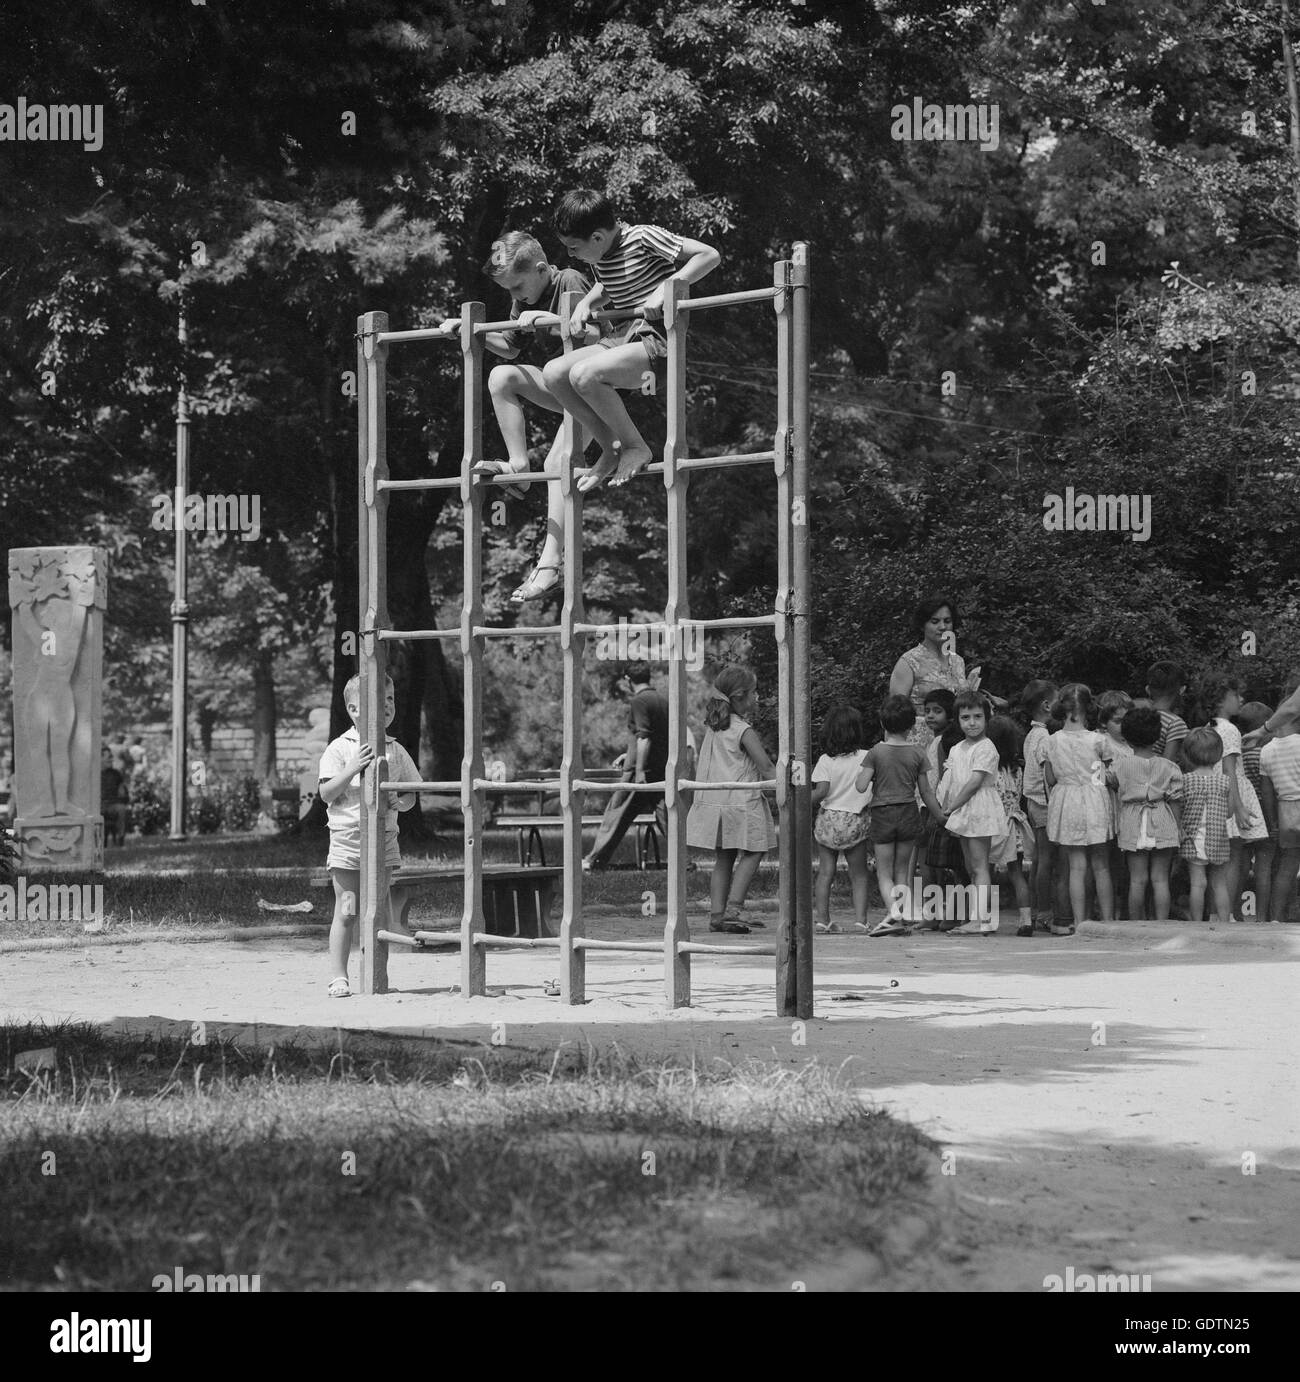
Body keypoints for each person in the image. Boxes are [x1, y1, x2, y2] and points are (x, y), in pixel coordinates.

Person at [440, 232, 598, 604]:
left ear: (542, 269)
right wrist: (470, 332)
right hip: (565, 390)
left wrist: (547, 318)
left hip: (597, 394)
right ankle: (517, 466)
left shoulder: (570, 282)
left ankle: (550, 565)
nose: (514, 297)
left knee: (560, 461)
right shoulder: (526, 297)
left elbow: (596, 336)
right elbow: (510, 350)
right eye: (508, 290)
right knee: (501, 376)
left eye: (517, 286)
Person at [543, 189, 721, 490]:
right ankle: (610, 448)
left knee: (584, 375)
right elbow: (612, 283)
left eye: (574, 248)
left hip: (656, 340)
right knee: (555, 373)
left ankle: (634, 446)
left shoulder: (643, 237)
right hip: (622, 337)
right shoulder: (601, 255)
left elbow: (709, 255)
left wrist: (667, 288)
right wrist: (588, 302)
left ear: (597, 238)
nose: (571, 255)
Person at [318, 674, 420, 998]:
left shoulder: (396, 749)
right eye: (379, 699)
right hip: (349, 839)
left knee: (380, 911)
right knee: (347, 908)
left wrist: (398, 800)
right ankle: (338, 976)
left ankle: (378, 976)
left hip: (385, 838)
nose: (387, 706)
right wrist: (352, 768)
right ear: (354, 709)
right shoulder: (339, 748)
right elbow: (325, 793)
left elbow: (411, 794)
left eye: (390, 699)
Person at [686, 666, 776, 934]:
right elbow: (767, 767)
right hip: (742, 803)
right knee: (754, 851)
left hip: (718, 802)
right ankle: (734, 908)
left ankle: (717, 915)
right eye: (754, 693)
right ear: (739, 697)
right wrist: (784, 789)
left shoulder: (714, 728)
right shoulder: (743, 730)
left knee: (723, 858)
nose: (757, 698)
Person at [854, 694, 944, 935]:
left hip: (883, 813)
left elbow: (861, 786)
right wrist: (941, 817)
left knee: (884, 872)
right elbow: (926, 792)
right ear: (912, 725)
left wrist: (867, 773)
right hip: (908, 813)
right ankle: (899, 917)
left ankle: (894, 912)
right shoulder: (917, 753)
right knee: (902, 871)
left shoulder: (876, 752)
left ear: (883, 724)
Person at [583, 662, 668, 871]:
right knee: (666, 817)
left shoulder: (639, 701)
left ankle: (594, 861)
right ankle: (684, 863)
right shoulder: (662, 700)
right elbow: (654, 736)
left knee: (615, 813)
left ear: (628, 680)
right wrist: (627, 754)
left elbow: (644, 737)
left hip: (640, 772)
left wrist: (638, 771)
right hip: (660, 769)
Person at [1045, 683, 1115, 932]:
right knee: (1101, 864)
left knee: (1076, 866)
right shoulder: (1099, 740)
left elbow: (1050, 779)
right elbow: (1107, 774)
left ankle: (1079, 922)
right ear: (1089, 708)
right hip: (1094, 799)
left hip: (1067, 800)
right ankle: (1107, 923)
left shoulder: (1051, 741)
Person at [938, 691, 1007, 935]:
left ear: (987, 719)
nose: (972, 722)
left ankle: (980, 919)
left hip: (978, 808)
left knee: (979, 866)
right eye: (966, 717)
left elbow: (974, 782)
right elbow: (952, 780)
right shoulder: (957, 748)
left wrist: (952, 806)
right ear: (958, 720)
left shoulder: (986, 748)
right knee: (970, 866)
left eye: (978, 716)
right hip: (963, 807)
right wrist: (947, 803)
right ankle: (977, 916)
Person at [1202, 675, 1268, 921]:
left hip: (1214, 792)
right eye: (1236, 695)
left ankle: (1217, 913)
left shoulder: (1210, 727)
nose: (1241, 699)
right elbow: (1229, 768)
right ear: (1221, 699)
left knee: (1219, 860)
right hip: (1231, 793)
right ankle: (1226, 913)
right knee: (1232, 857)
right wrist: (1238, 805)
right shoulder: (1229, 728)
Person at [1113, 706, 1183, 921]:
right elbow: (1176, 800)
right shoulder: (1169, 766)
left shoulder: (1120, 765)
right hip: (1162, 818)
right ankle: (1161, 924)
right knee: (1160, 879)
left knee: (1137, 879)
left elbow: (1111, 784)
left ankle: (1136, 924)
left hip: (1133, 821)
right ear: (1156, 736)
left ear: (1126, 736)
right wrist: (1178, 827)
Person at [888, 595, 982, 752]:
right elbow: (894, 714)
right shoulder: (909, 662)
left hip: (954, 745)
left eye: (947, 621)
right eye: (935, 621)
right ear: (922, 625)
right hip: (917, 747)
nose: (942, 626)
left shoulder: (957, 661)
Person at [811, 703, 871, 934]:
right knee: (859, 874)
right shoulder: (866, 757)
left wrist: (802, 800)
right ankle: (861, 920)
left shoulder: (826, 760)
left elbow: (822, 791)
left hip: (828, 820)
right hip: (854, 819)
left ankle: (822, 920)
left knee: (826, 872)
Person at [1178, 727, 1233, 923]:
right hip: (1218, 839)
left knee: (1197, 884)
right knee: (1219, 884)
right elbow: (1229, 812)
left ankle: (1196, 923)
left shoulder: (1185, 781)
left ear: (1188, 754)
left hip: (1193, 839)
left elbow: (1180, 808)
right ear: (1219, 755)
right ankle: (1225, 922)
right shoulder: (1224, 781)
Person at [988, 715, 1035, 936]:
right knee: (1017, 874)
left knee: (984, 872)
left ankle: (986, 918)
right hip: (1015, 824)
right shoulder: (1018, 770)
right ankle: (1026, 920)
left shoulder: (989, 772)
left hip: (993, 825)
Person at [1020, 679, 1059, 933]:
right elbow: (1047, 776)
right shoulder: (1045, 737)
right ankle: (1045, 912)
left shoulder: (1032, 734)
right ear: (1047, 705)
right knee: (1046, 859)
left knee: (1037, 860)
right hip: (1044, 804)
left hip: (1033, 802)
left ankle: (1036, 910)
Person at [1259, 699, 1300, 922]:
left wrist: (1273, 822)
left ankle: (1275, 918)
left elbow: (1267, 793)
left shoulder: (1266, 750)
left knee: (1287, 866)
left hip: (1285, 810)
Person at [1146, 661, 1189, 764]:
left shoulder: (1137, 714)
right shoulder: (1175, 723)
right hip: (1157, 776)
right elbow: (1167, 763)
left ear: (1148, 689)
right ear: (1182, 690)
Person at [100, 747, 129, 847]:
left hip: (113, 805)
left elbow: (123, 792)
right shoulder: (94, 774)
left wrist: (122, 794)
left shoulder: (115, 774)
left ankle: (121, 840)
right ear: (100, 758)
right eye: (108, 757)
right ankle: (100, 842)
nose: (111, 760)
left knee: (122, 809)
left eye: (111, 757)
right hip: (99, 805)